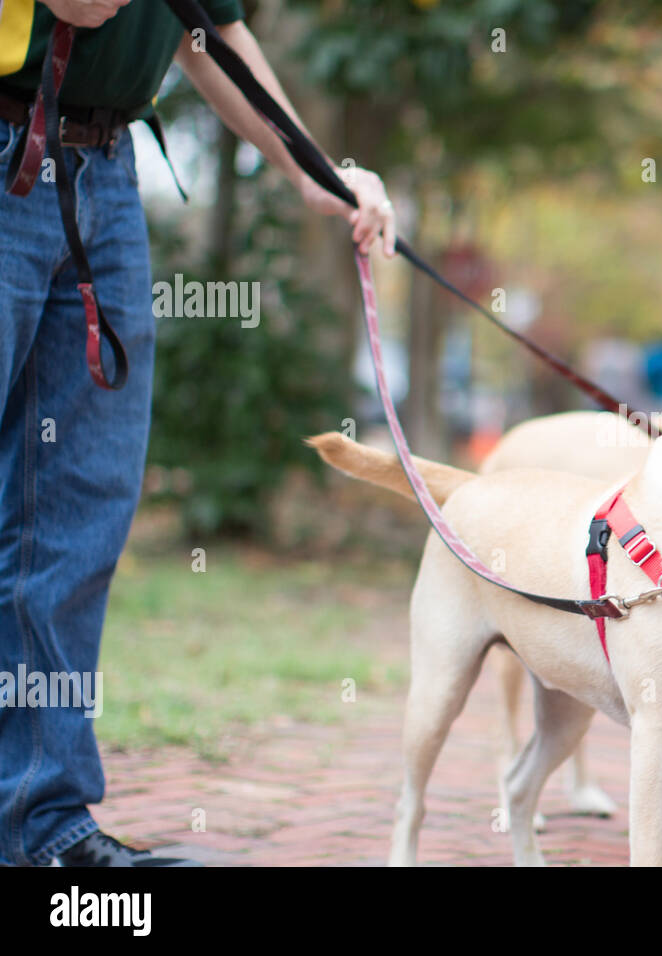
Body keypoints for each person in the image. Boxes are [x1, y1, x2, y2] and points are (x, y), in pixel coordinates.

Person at [0, 0, 396, 867]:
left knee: (76, 516)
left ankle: (39, 828)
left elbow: (206, 30)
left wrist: (316, 171)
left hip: (102, 171)